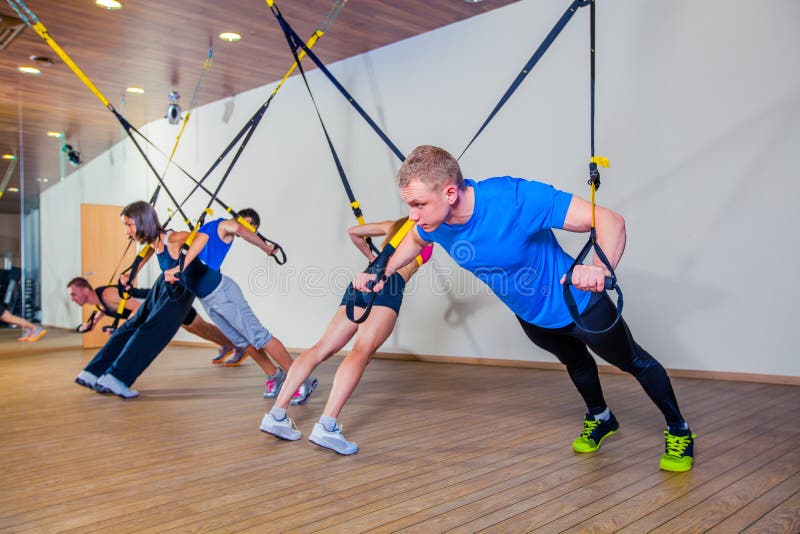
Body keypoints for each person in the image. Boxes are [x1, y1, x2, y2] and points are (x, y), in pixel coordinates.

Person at [352, 145, 695, 472]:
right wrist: (380, 270)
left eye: (418, 204)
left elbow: (610, 221)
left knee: (631, 361)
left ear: (450, 194)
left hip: (579, 307)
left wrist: (600, 270)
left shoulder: (516, 199)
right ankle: (601, 417)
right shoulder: (432, 223)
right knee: (574, 361)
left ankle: (679, 430)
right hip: (531, 316)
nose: (412, 216)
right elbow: (412, 239)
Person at [259, 218, 434, 455]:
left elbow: (353, 232)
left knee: (322, 347)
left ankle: (276, 415)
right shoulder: (435, 227)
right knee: (362, 352)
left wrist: (372, 258)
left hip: (364, 278)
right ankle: (327, 426)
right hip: (389, 284)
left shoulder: (394, 224)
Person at [164, 209, 311, 399]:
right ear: (247, 220)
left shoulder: (220, 228)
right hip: (207, 297)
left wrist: (265, 247)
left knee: (259, 336)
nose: (248, 232)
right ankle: (274, 375)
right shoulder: (223, 224)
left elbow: (238, 230)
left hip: (221, 292)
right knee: (240, 340)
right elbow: (239, 228)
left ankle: (300, 380)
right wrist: (265, 247)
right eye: (252, 228)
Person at [74, 201, 199, 398]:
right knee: (140, 327)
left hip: (180, 286)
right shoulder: (155, 241)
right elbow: (148, 251)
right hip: (166, 285)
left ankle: (101, 374)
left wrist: (179, 268)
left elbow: (201, 237)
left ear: (143, 222)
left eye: (129, 225)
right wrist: (132, 273)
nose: (127, 232)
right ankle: (106, 375)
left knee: (148, 330)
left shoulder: (174, 237)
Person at [66, 276, 243, 363]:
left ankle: (238, 346)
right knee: (193, 327)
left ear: (85, 291)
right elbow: (100, 314)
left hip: (165, 301)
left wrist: (121, 330)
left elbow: (137, 308)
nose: (73, 298)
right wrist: (90, 325)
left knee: (199, 326)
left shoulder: (108, 294)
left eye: (74, 294)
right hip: (160, 309)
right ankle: (228, 345)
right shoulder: (99, 304)